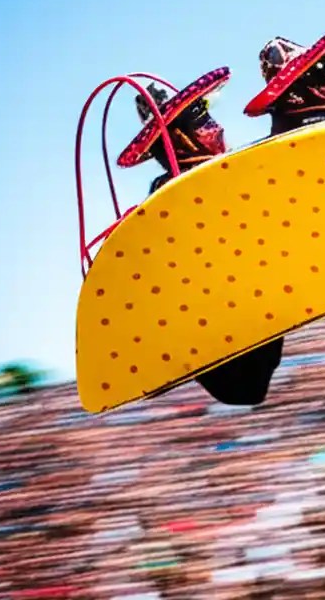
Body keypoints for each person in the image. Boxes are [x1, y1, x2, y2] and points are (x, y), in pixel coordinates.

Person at [116, 67, 284, 406]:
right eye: (202, 121)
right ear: (178, 138)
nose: (218, 127)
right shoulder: (165, 200)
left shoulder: (230, 179)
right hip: (223, 345)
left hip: (248, 332)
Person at [116, 67, 230, 193]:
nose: (216, 127)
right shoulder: (169, 189)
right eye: (197, 113)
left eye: (201, 109)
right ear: (179, 136)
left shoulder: (237, 162)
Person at [244, 18, 325, 135]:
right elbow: (254, 108)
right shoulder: (280, 99)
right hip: (293, 135)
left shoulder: (316, 76)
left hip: (320, 128)